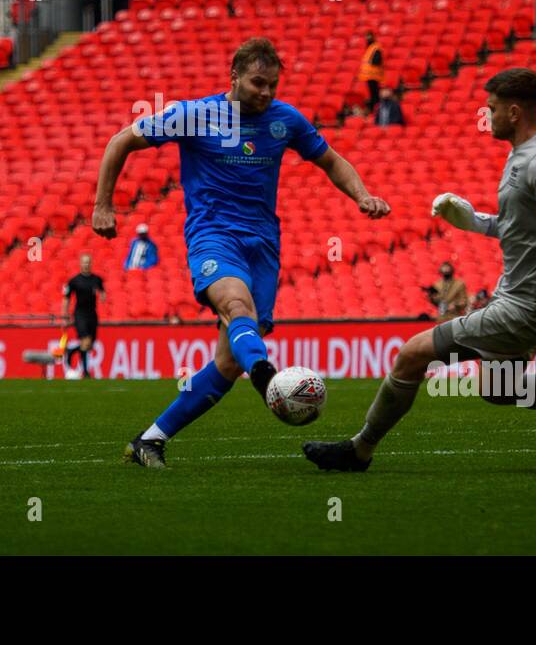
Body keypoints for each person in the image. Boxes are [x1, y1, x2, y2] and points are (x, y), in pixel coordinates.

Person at [303, 67, 536, 473]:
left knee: (411, 356)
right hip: (521, 296)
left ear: (514, 112)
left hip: (527, 304)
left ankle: (359, 450)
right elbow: (520, 231)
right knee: (500, 388)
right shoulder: (525, 153)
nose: (487, 116)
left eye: (492, 109)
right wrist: (473, 220)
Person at [99, 37, 391, 468]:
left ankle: (149, 441)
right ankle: (266, 377)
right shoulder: (193, 115)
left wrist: (362, 195)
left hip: (263, 247)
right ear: (233, 76)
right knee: (237, 305)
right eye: (258, 83)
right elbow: (121, 141)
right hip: (213, 236)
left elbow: (331, 160)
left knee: (225, 364)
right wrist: (103, 205)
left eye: (272, 84)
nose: (266, 93)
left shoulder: (285, 120)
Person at [61, 254, 105, 378]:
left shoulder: (97, 279)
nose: (86, 265)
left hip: (92, 314)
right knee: (85, 341)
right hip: (80, 314)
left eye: (88, 263)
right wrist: (65, 316)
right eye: (84, 263)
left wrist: (102, 296)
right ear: (80, 264)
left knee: (90, 344)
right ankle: (85, 372)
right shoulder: (74, 281)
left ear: (91, 264)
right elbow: (66, 298)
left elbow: (102, 291)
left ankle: (70, 351)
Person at [358, 31, 384, 113]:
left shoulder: (375, 47)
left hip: (374, 76)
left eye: (369, 36)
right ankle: (374, 110)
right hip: (369, 76)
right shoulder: (370, 47)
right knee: (373, 95)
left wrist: (371, 62)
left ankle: (376, 110)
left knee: (375, 95)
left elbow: (377, 61)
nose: (367, 38)